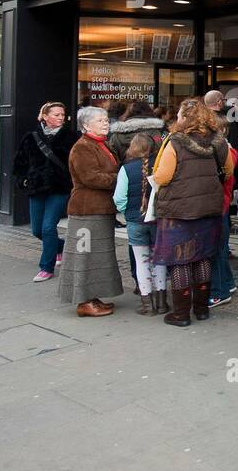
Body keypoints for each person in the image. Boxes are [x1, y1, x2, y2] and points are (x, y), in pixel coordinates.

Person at [150, 99, 235, 327]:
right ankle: (201, 309)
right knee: (203, 258)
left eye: (179, 115)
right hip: (209, 209)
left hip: (179, 212)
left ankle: (181, 314)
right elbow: (227, 171)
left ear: (184, 118)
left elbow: (162, 176)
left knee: (181, 262)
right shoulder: (219, 142)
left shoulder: (175, 142)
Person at [57, 107, 123, 316]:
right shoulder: (82, 147)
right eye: (100, 120)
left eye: (106, 119)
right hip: (86, 211)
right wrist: (121, 180)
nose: (106, 123)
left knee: (98, 256)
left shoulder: (102, 144)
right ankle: (83, 302)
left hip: (101, 209)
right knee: (84, 255)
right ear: (86, 125)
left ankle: (93, 297)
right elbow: (91, 177)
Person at [12, 101, 78, 282]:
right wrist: (23, 181)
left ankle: (46, 267)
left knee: (48, 227)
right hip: (37, 188)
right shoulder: (31, 136)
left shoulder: (71, 137)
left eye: (63, 115)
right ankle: (60, 247)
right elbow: (20, 162)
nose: (60, 118)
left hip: (59, 188)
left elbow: (77, 163)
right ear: (45, 116)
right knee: (37, 230)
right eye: (56, 115)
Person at [112, 132, 168, 314]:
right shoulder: (161, 166)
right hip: (158, 220)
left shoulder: (126, 169)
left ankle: (147, 304)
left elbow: (119, 197)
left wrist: (127, 211)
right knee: (159, 261)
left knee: (141, 262)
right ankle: (161, 302)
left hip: (136, 221)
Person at [208, 113, 238, 308]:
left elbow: (225, 175)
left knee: (217, 249)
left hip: (219, 203)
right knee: (219, 248)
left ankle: (219, 291)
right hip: (222, 203)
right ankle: (227, 283)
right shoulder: (226, 150)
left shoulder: (225, 152)